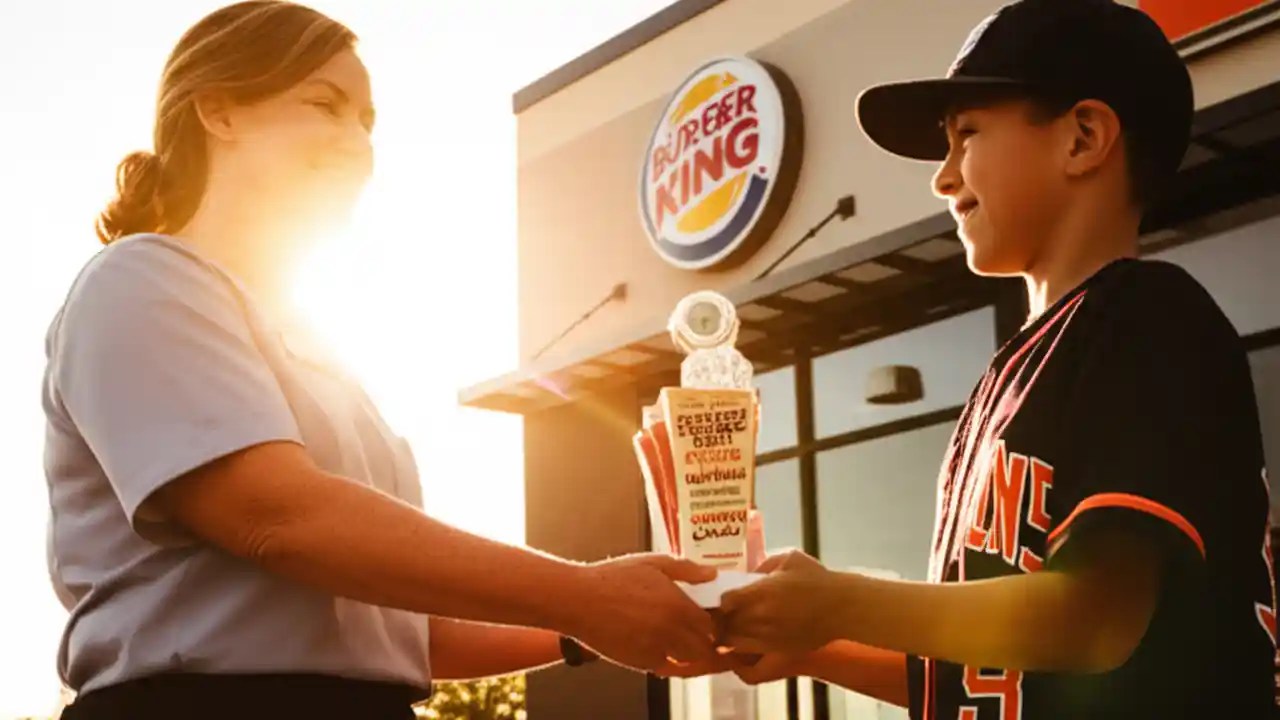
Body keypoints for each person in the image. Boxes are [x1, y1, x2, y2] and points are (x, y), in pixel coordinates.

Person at [41, 3, 718, 718]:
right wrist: (588, 594)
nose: (357, 141)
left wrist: (595, 622)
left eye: (367, 122)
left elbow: (406, 632)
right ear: (219, 111)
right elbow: (279, 519)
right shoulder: (141, 280)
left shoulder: (314, 348)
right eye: (325, 105)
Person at [712, 1, 1278, 718]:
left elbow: (1094, 619)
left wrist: (840, 603)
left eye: (966, 135)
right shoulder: (1009, 378)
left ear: (1082, 139)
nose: (942, 178)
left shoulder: (1147, 317)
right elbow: (985, 674)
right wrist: (811, 641)